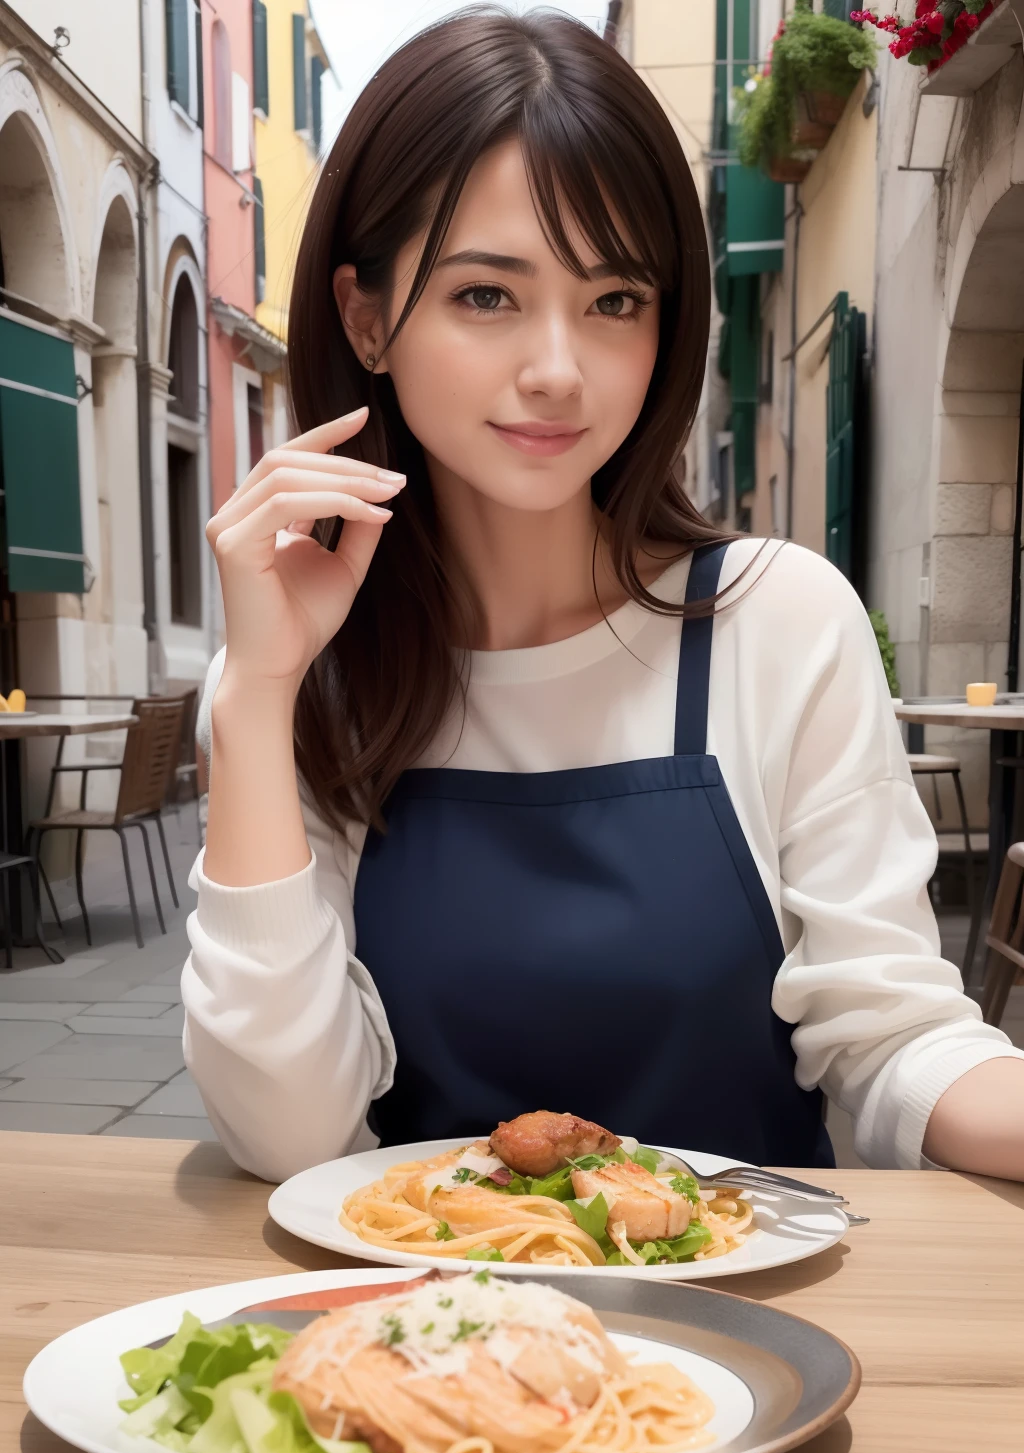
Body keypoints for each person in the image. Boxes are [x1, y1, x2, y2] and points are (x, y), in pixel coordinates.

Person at [184, 6, 1024, 1185]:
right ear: (367, 318)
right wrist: (257, 696)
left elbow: (893, 1035)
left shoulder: (778, 622)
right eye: (486, 295)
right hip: (422, 1295)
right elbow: (288, 1135)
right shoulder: (301, 679)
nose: (557, 371)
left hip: (748, 1295)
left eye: (614, 300)